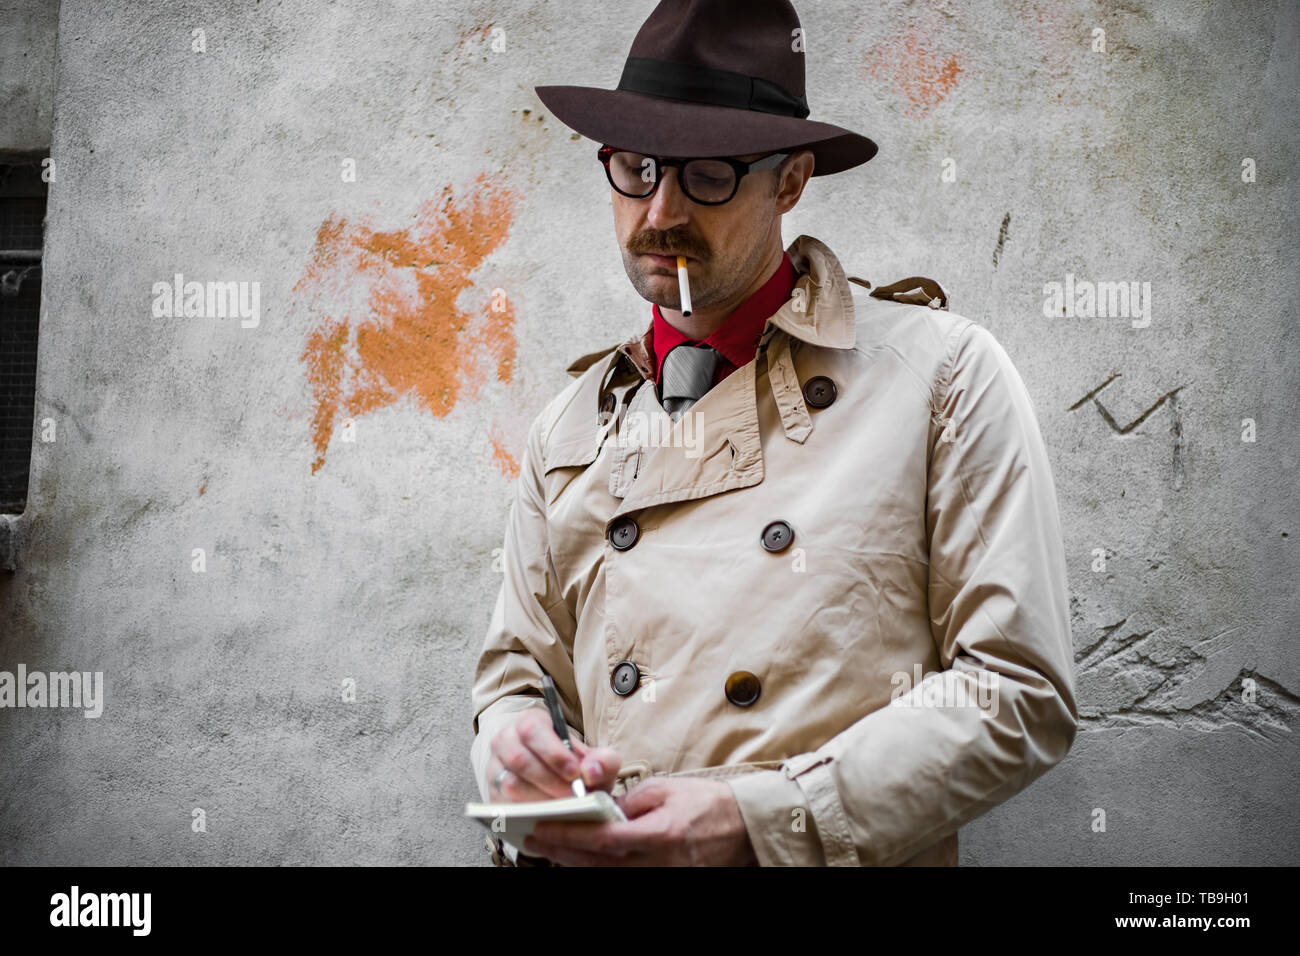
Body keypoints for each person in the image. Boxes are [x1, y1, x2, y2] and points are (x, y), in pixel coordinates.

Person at [469, 0, 1078, 866]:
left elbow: (1018, 692)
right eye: (636, 169)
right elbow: (514, 682)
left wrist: (760, 819)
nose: (660, 213)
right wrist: (511, 752)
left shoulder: (940, 376)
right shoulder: (570, 429)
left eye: (708, 174)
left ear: (790, 180)